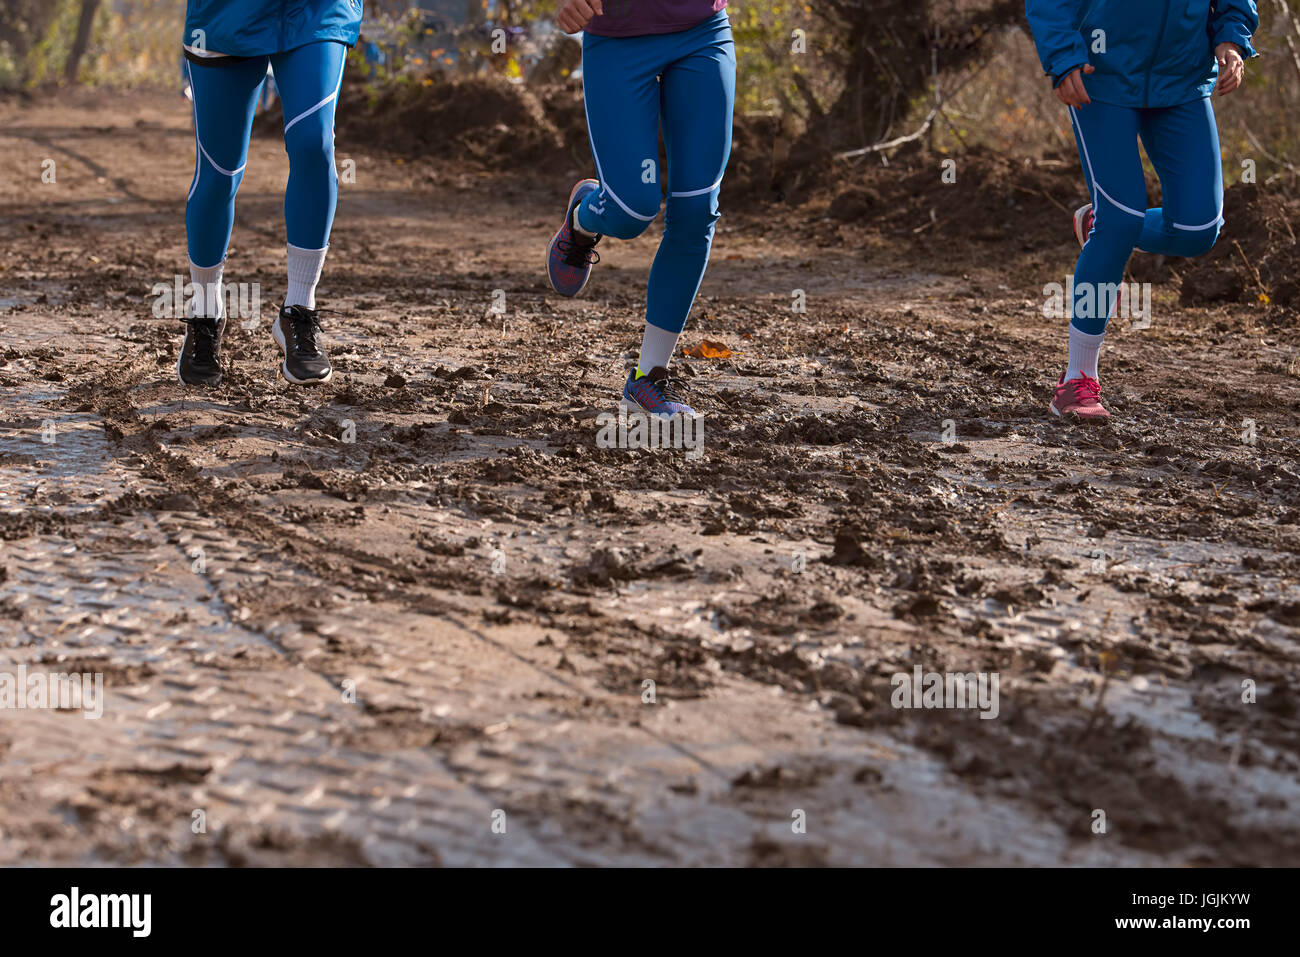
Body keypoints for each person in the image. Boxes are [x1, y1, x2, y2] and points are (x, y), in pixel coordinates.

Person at [1025, 0, 1258, 421]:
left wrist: (1231, 38)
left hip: (1182, 77)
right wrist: (1062, 56)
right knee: (1121, 218)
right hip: (1101, 77)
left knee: (1199, 229)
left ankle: (1102, 224)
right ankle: (1077, 380)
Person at [546, 0, 734, 419]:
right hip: (618, 38)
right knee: (632, 212)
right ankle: (583, 217)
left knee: (696, 209)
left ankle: (648, 378)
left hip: (702, 30)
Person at [177, 0, 364, 387]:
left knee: (314, 143)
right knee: (219, 173)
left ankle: (298, 308)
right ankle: (206, 310)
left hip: (316, 11)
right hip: (225, 15)